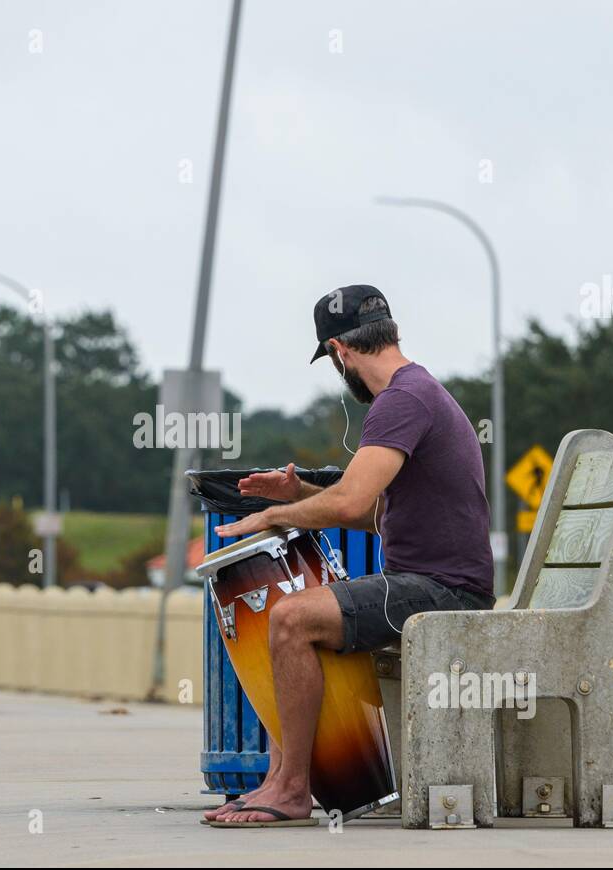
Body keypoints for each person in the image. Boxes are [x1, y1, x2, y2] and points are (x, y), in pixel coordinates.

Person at [205, 284, 495, 827]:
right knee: (291, 614)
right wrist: (298, 497)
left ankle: (292, 789)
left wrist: (270, 517)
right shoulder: (417, 391)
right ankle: (278, 779)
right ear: (390, 332)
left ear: (339, 350)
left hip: (445, 592)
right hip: (435, 584)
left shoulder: (401, 401)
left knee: (292, 617)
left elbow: (354, 499)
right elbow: (373, 513)